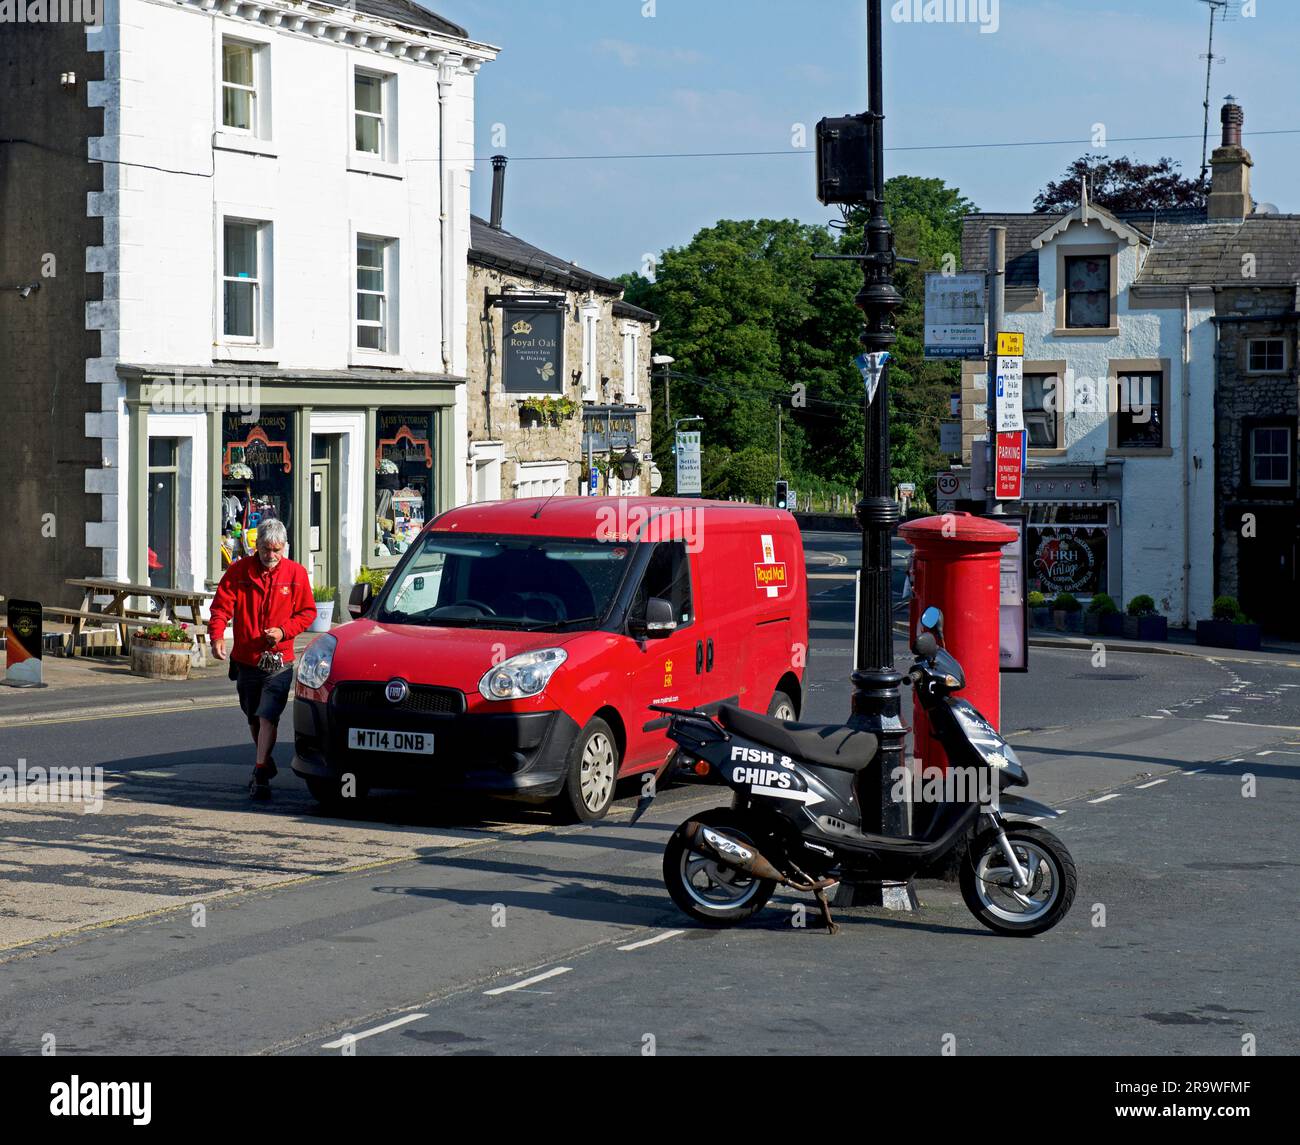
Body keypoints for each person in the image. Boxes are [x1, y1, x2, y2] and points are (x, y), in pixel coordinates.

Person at [208, 518, 317, 798]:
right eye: (266, 549)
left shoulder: (296, 574)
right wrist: (217, 636)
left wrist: (283, 631)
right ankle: (265, 761)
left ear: (285, 548)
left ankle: (259, 772)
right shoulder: (239, 570)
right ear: (257, 547)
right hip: (247, 658)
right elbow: (221, 606)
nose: (271, 556)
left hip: (280, 661)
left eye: (277, 550)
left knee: (268, 715)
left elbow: (307, 613)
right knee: (253, 717)